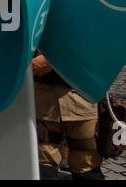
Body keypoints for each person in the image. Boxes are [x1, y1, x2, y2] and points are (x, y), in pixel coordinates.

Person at [32, 52, 102, 180]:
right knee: (44, 161)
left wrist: (47, 61)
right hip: (45, 99)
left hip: (80, 96)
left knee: (85, 161)